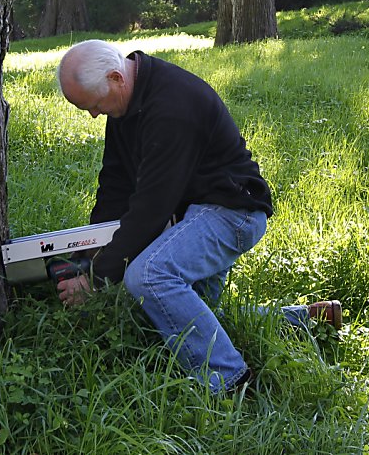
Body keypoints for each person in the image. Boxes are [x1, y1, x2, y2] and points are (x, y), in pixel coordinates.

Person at [55, 39, 341, 394]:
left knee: (149, 278)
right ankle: (306, 320)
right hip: (193, 214)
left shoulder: (170, 106)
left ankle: (229, 380)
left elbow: (151, 209)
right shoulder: (125, 104)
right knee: (182, 316)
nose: (94, 115)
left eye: (95, 105)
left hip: (231, 213)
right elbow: (115, 186)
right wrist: (88, 252)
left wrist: (95, 280)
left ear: (116, 77)